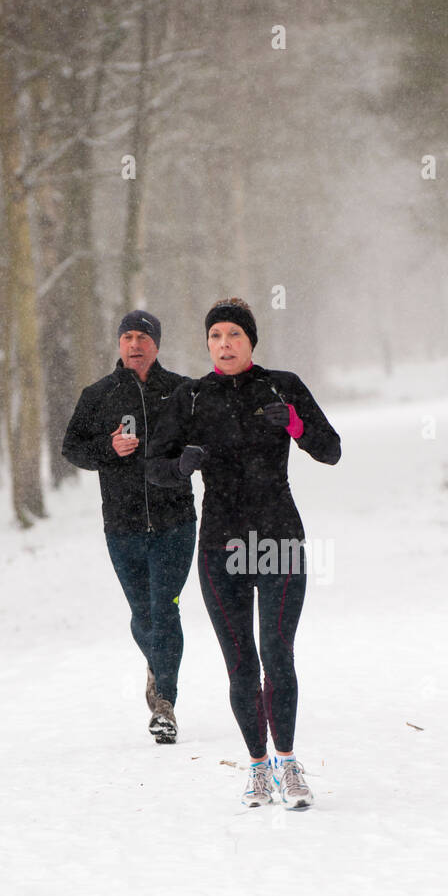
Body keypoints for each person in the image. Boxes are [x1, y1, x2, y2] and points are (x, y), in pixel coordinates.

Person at [146, 297, 341, 807]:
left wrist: (296, 424)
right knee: (240, 663)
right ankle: (257, 768)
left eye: (234, 335)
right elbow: (153, 466)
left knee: (277, 654)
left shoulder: (283, 386)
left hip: (278, 538)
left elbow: (331, 449)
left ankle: (289, 764)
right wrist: (179, 466)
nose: (224, 344)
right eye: (215, 336)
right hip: (221, 547)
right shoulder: (190, 398)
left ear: (251, 341)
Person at [62, 310, 196, 743]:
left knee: (165, 607)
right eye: (128, 337)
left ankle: (165, 704)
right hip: (122, 526)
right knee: (143, 614)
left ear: (157, 344)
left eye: (143, 337)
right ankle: (158, 669)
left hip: (175, 521)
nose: (135, 344)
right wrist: (109, 447)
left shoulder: (181, 391)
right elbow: (71, 448)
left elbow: (203, 444)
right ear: (119, 344)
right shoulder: (98, 395)